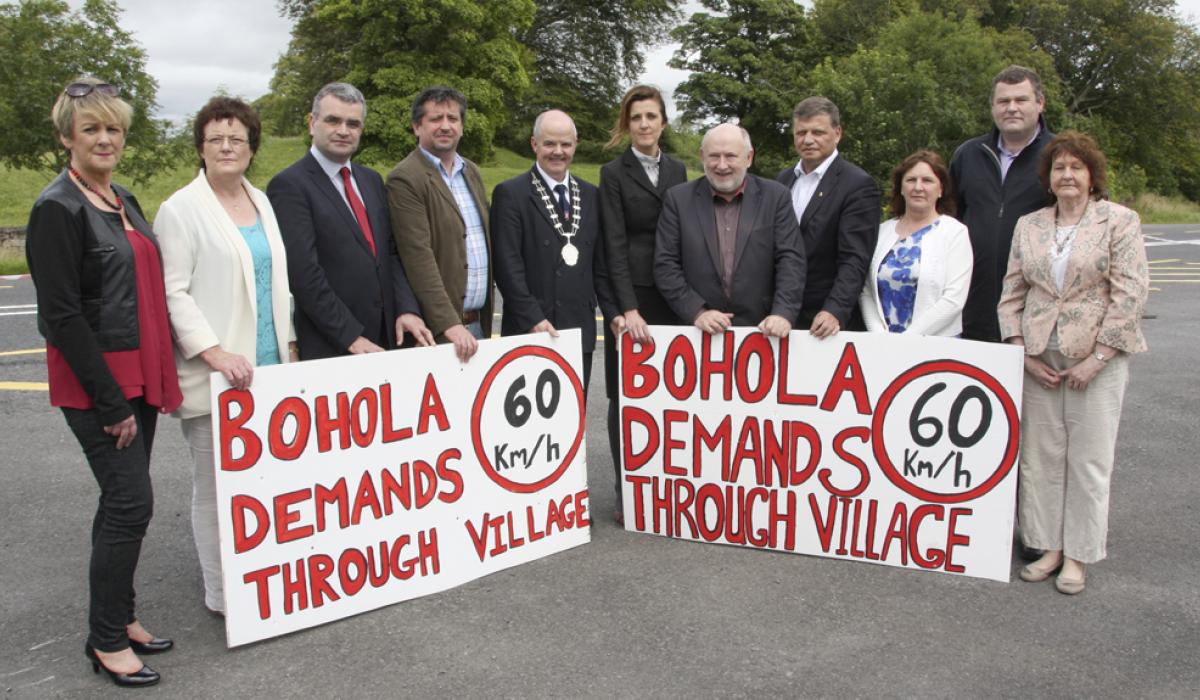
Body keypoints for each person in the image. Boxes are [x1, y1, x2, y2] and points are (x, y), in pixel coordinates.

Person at [26, 77, 181, 687]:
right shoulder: (55, 209)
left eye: (113, 127)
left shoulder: (122, 197)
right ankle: (106, 640)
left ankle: (121, 616)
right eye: (91, 128)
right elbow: (59, 316)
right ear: (68, 136)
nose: (105, 138)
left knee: (121, 499)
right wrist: (110, 401)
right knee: (130, 502)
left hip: (138, 374)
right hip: (100, 385)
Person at [154, 96, 296, 616]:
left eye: (237, 138)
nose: (227, 147)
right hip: (216, 375)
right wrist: (212, 351)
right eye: (216, 138)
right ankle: (222, 593)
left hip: (270, 368)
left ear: (252, 148)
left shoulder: (261, 201)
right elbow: (172, 292)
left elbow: (278, 281)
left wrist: (292, 342)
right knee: (216, 489)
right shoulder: (181, 209)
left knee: (264, 485)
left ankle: (262, 578)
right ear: (201, 147)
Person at [997, 131, 1149, 595]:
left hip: (1095, 358)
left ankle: (1079, 554)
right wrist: (1022, 351)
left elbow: (1130, 294)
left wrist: (1099, 357)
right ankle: (1048, 547)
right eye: (1059, 168)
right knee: (1042, 459)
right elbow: (1012, 293)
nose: (1067, 175)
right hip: (1042, 356)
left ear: (1092, 175)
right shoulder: (1031, 225)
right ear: (1048, 178)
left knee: (1088, 460)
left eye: (1076, 168)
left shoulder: (1118, 221)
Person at [267, 82, 433, 360]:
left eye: (353, 124)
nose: (343, 131)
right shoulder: (289, 186)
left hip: (389, 338)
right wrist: (350, 336)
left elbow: (390, 254)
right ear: (312, 123)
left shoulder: (371, 180)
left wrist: (407, 309)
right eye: (333, 120)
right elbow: (303, 274)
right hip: (334, 346)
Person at [598, 85, 688, 522]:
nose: (645, 124)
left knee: (670, 397)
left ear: (663, 123)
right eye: (636, 118)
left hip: (674, 298)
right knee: (625, 398)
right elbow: (613, 245)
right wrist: (626, 308)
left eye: (651, 116)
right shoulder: (613, 173)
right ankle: (625, 489)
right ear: (626, 125)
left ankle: (667, 485)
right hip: (633, 298)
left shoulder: (679, 168)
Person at [491, 109, 619, 389]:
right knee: (527, 429)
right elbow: (507, 265)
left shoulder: (590, 195)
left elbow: (600, 266)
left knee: (573, 423)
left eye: (565, 144)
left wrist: (615, 314)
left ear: (575, 145)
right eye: (549, 144)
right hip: (530, 329)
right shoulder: (511, 194)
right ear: (534, 144)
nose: (557, 152)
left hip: (578, 329)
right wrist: (534, 319)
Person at [655, 123, 806, 336]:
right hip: (697, 332)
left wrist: (783, 313)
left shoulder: (776, 197)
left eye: (730, 156)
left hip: (763, 331)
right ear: (702, 156)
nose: (722, 165)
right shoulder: (677, 199)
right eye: (714, 156)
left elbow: (791, 260)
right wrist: (697, 312)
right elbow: (665, 264)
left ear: (749, 157)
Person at [387, 86, 491, 361]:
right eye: (435, 119)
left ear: (462, 126)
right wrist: (449, 324)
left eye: (453, 119)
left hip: (477, 324)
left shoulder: (471, 172)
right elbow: (417, 257)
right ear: (416, 127)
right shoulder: (406, 178)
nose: (445, 126)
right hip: (440, 333)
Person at [952, 65, 1055, 343]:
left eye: (1021, 100)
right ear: (993, 107)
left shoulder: (1059, 158)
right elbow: (951, 222)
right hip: (974, 306)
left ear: (1040, 103)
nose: (1012, 108)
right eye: (1003, 101)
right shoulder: (968, 155)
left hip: (1036, 306)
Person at [776, 97, 879, 337]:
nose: (808, 139)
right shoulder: (782, 180)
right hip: (781, 314)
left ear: (837, 133)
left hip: (824, 322)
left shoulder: (858, 185)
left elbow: (855, 258)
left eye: (818, 132)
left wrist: (835, 309)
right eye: (801, 132)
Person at [860, 150, 973, 336]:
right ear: (901, 188)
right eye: (911, 180)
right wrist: (878, 335)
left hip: (935, 347)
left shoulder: (954, 233)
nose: (918, 187)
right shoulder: (882, 232)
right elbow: (866, 291)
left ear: (941, 189)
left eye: (927, 181)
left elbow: (954, 299)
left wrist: (908, 340)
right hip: (882, 345)